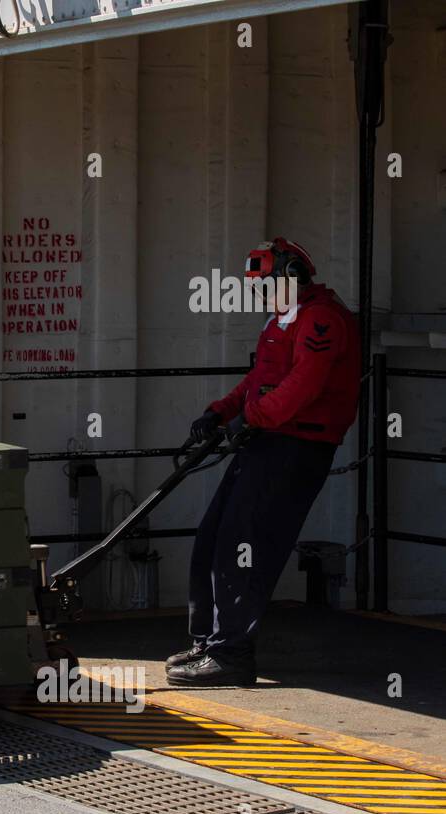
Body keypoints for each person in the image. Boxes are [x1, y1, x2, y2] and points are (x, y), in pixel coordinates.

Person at [168, 238, 360, 686]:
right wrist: (221, 411)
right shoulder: (284, 319)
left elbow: (302, 386)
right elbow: (261, 379)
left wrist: (250, 417)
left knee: (243, 544)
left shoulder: (322, 320)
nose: (260, 294)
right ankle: (210, 642)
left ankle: (231, 652)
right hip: (267, 439)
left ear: (291, 277)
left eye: (265, 284)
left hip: (294, 447)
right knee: (214, 536)